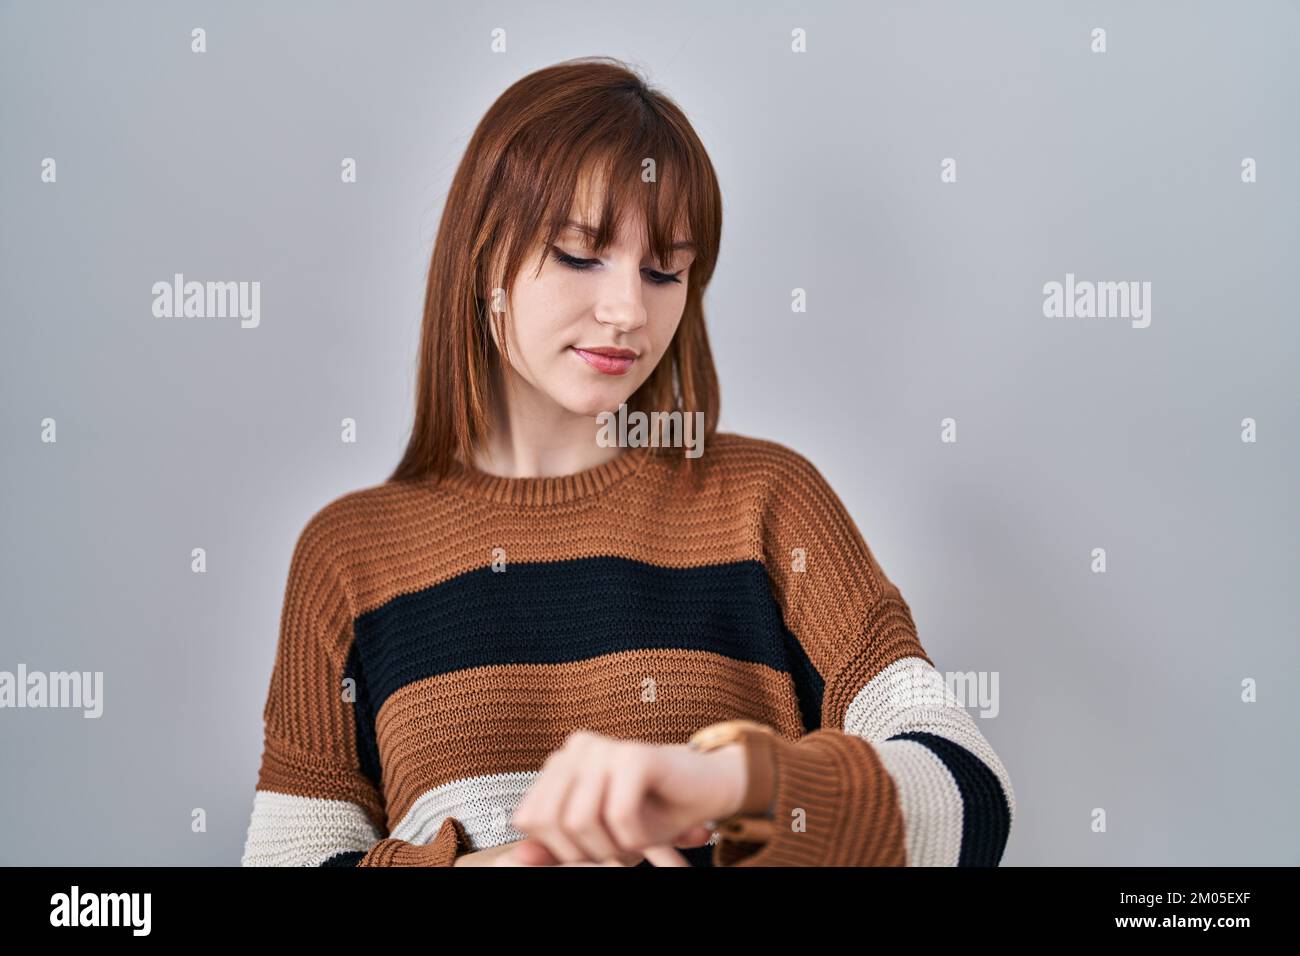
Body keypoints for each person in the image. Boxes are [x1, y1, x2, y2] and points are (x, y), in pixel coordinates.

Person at [240, 56, 1014, 868]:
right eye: (579, 255)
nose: (627, 312)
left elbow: (970, 803)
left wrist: (724, 786)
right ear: (479, 259)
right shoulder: (350, 554)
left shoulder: (769, 503)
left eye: (663, 272)